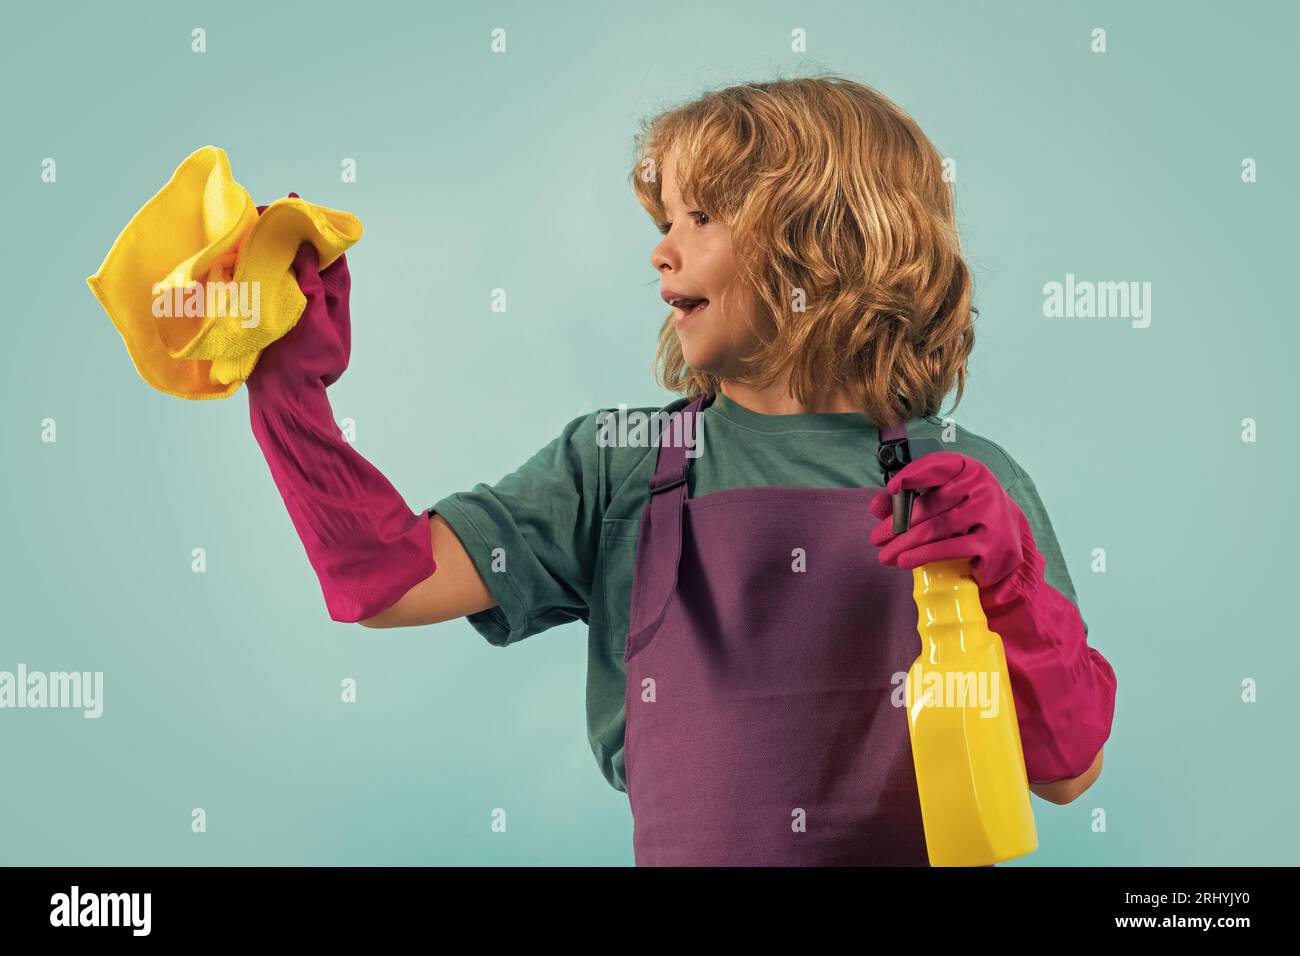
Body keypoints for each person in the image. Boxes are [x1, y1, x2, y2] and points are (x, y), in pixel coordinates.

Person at [247, 75, 1117, 866]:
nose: (661, 252)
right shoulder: (623, 462)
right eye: (665, 221)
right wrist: (288, 389)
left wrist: (1013, 582)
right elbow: (381, 583)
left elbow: (1067, 771)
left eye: (701, 218)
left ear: (826, 237)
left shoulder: (965, 480)